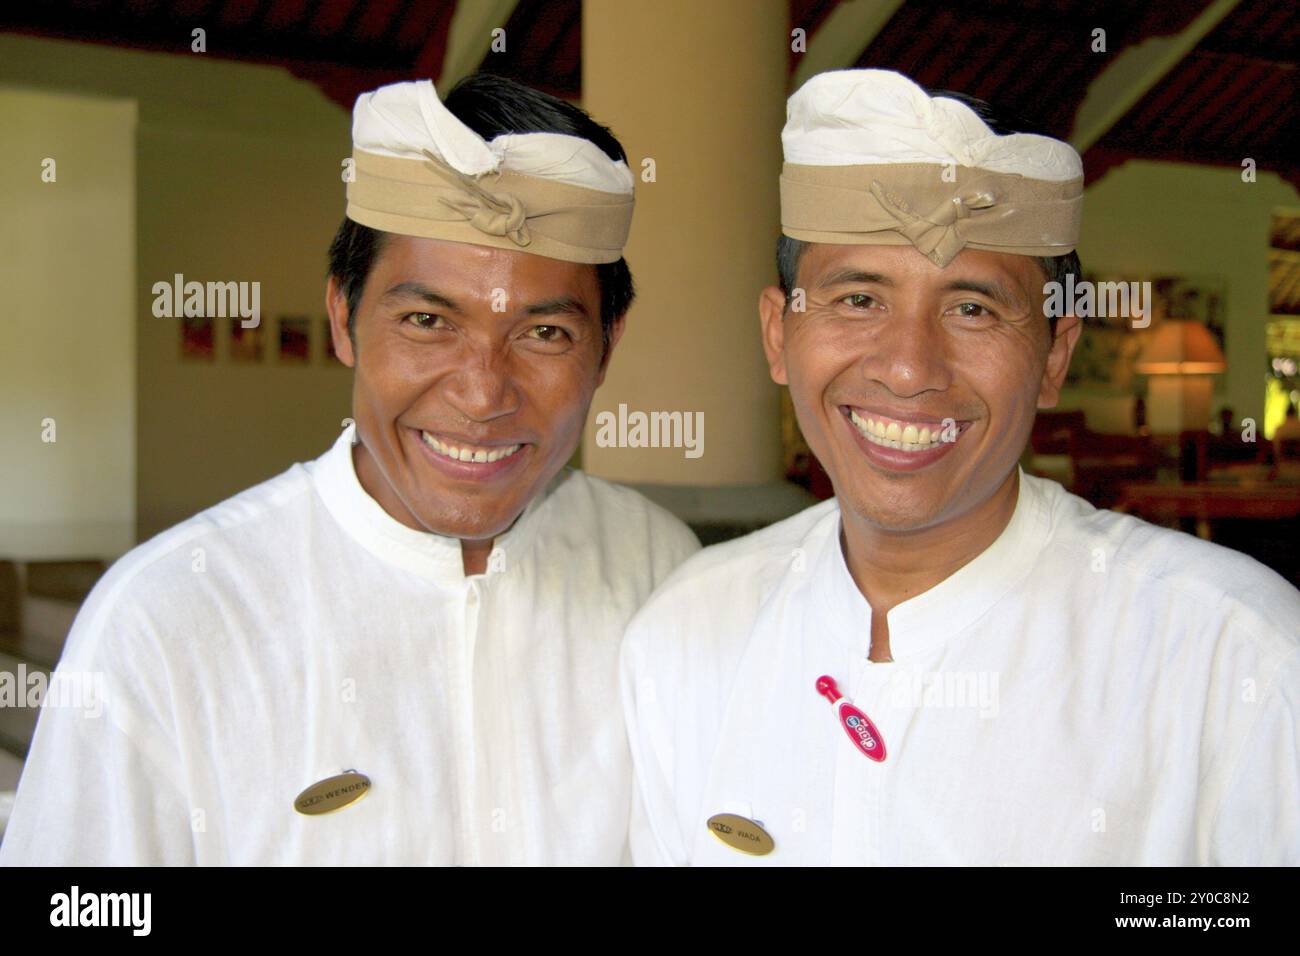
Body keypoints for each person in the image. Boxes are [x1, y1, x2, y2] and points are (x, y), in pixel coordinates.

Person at [1, 74, 698, 865]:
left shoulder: (659, 574)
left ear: (608, 345)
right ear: (343, 318)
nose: (481, 395)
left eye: (543, 333)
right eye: (428, 321)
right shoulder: (168, 620)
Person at [620, 69, 1300, 865]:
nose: (909, 368)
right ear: (779, 334)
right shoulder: (688, 632)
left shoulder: (1231, 654)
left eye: (973, 308)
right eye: (858, 300)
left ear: (1055, 355)